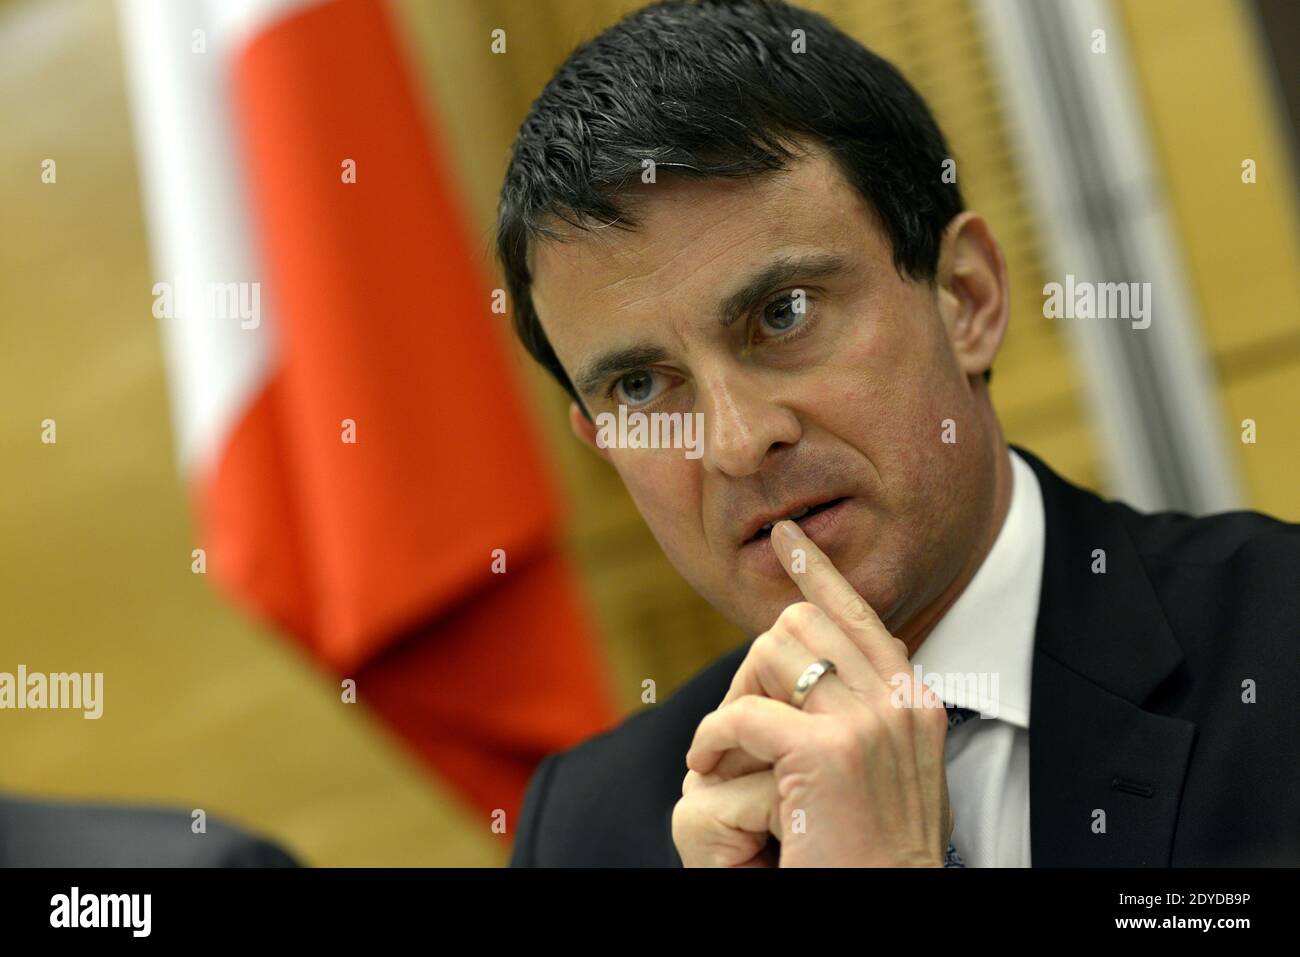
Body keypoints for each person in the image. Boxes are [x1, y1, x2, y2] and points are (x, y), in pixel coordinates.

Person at [495, 0, 1300, 866]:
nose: (734, 441)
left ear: (966, 299)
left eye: (783, 313)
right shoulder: (587, 830)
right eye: (643, 386)